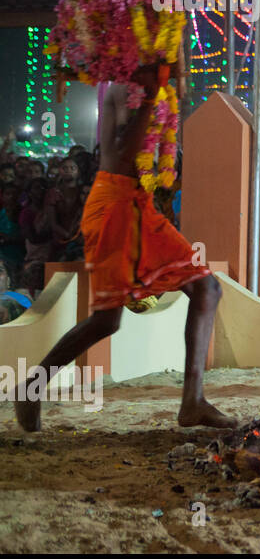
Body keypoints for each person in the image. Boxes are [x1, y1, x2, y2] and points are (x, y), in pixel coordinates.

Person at [15, 63, 234, 432]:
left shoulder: (151, 79)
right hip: (115, 205)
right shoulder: (127, 85)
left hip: (137, 204)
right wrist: (149, 99)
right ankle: (32, 388)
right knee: (107, 320)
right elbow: (119, 151)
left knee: (206, 287)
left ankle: (193, 401)